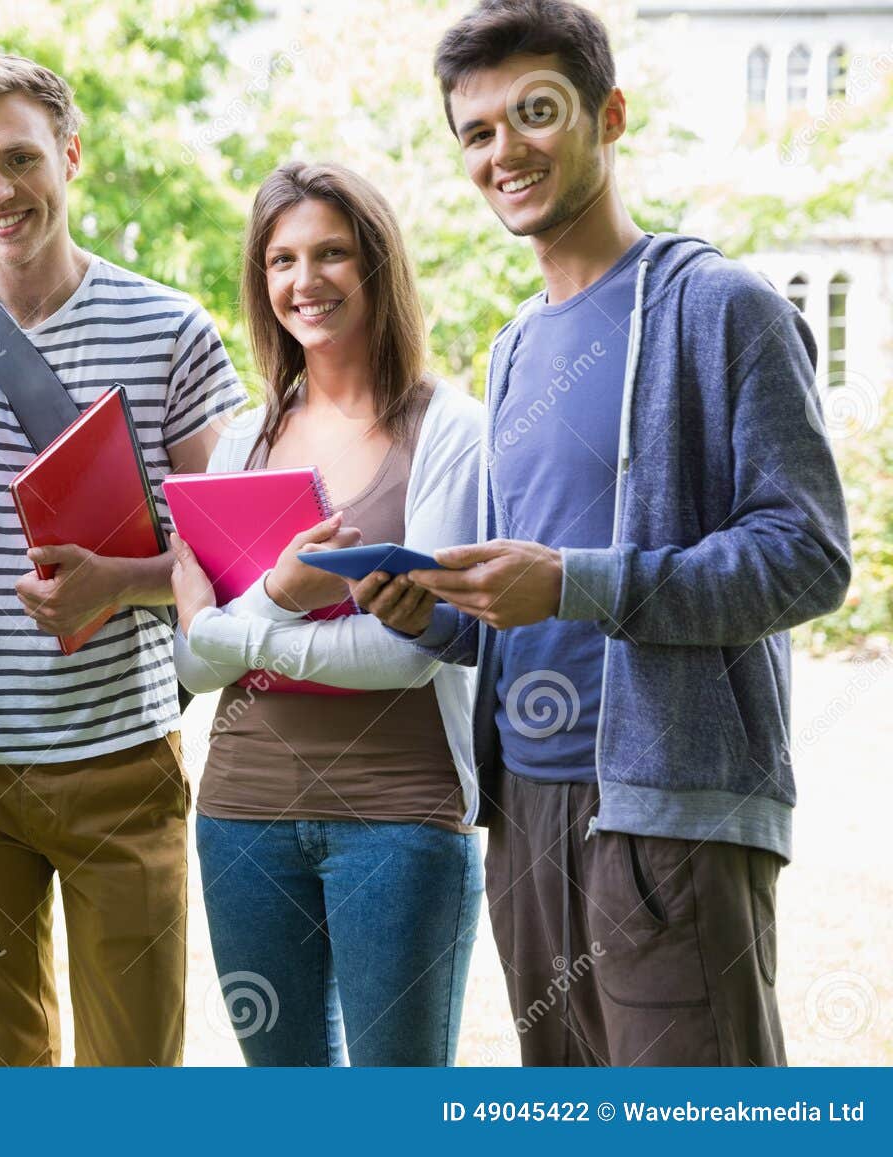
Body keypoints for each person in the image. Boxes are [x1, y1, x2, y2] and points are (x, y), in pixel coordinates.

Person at [359, 0, 852, 1065]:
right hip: (523, 806)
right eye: (477, 133)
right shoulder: (513, 351)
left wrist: (576, 582)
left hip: (664, 806)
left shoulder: (721, 308)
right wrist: (440, 612)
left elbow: (807, 555)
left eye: (533, 113)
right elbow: (529, 593)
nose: (504, 152)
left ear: (608, 113)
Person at [0, 54, 246, 1065]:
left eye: (19, 159)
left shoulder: (171, 331)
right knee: (3, 1061)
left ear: (70, 156)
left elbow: (232, 554)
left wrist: (119, 581)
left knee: (133, 1066)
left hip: (123, 758)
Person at [169, 161, 484, 1066]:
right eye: (282, 260)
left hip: (401, 817)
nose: (305, 282)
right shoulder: (241, 441)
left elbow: (405, 654)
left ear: (377, 266)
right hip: (242, 817)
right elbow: (190, 672)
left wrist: (238, 627)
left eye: (333, 254)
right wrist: (278, 600)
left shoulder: (448, 428)